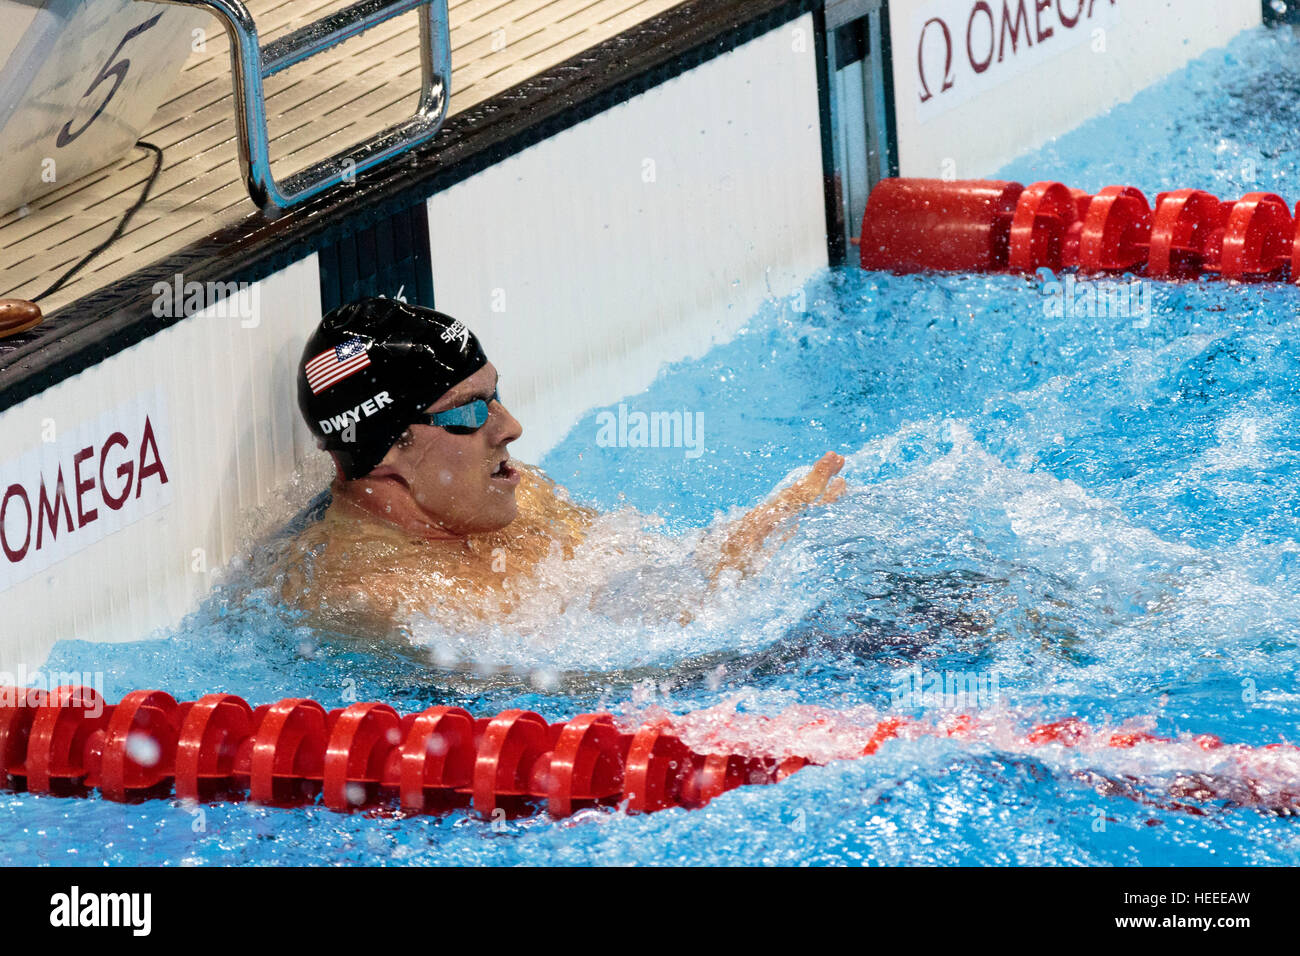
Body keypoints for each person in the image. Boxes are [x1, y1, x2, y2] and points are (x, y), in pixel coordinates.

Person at [277, 297, 845, 639]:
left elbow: (660, 575)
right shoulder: (380, 593)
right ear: (390, 447)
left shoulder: (515, 496)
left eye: (496, 395)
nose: (510, 427)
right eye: (472, 411)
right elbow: (605, 677)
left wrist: (762, 531)